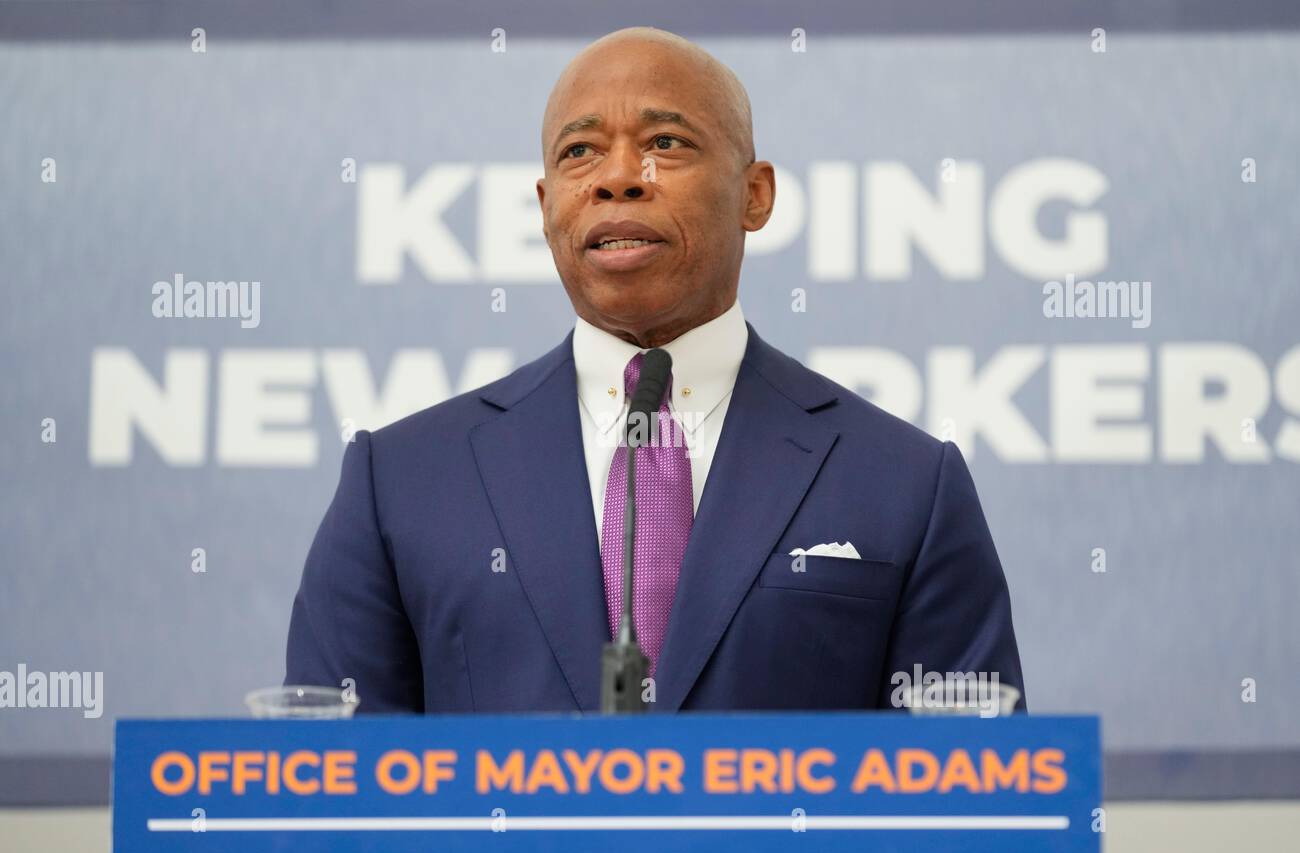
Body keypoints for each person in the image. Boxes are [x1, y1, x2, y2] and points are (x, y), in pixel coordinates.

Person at [286, 27, 1027, 714]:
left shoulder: (905, 484)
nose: (617, 178)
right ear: (547, 209)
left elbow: (974, 807)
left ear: (755, 194)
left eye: (664, 143)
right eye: (579, 153)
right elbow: (325, 797)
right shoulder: (401, 483)